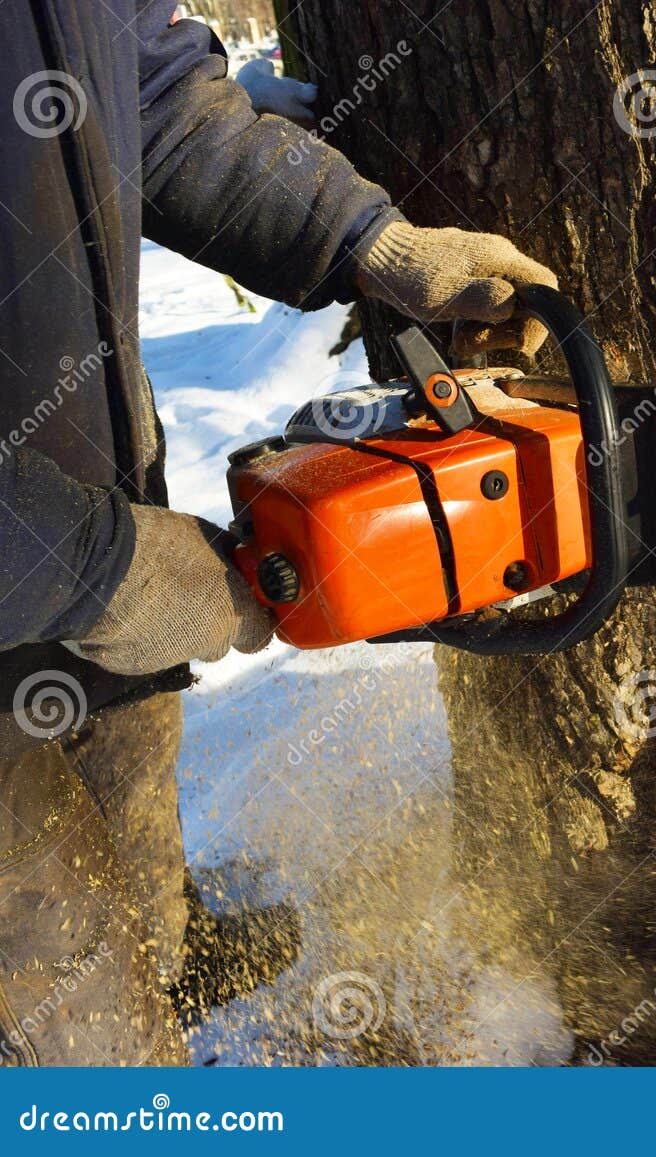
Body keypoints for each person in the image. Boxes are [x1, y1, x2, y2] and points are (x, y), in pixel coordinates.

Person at [0, 1, 558, 1065]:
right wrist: (91, 567)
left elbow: (152, 98)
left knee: (128, 770)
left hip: (83, 478)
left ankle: (165, 947)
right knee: (79, 1015)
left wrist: (365, 240)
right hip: (44, 555)